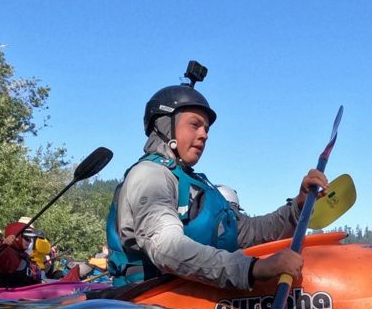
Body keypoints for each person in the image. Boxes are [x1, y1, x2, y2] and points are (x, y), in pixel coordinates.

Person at [106, 65, 326, 292]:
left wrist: (297, 207)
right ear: (165, 126)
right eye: (194, 125)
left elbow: (250, 233)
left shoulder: (198, 186)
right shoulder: (150, 175)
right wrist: (251, 270)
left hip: (195, 302)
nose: (204, 135)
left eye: (206, 129)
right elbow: (165, 248)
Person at [0, 221, 41, 288]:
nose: (30, 241)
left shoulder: (23, 255)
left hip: (31, 294)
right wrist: (3, 244)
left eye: (30, 238)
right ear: (17, 237)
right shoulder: (8, 254)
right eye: (27, 238)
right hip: (14, 296)